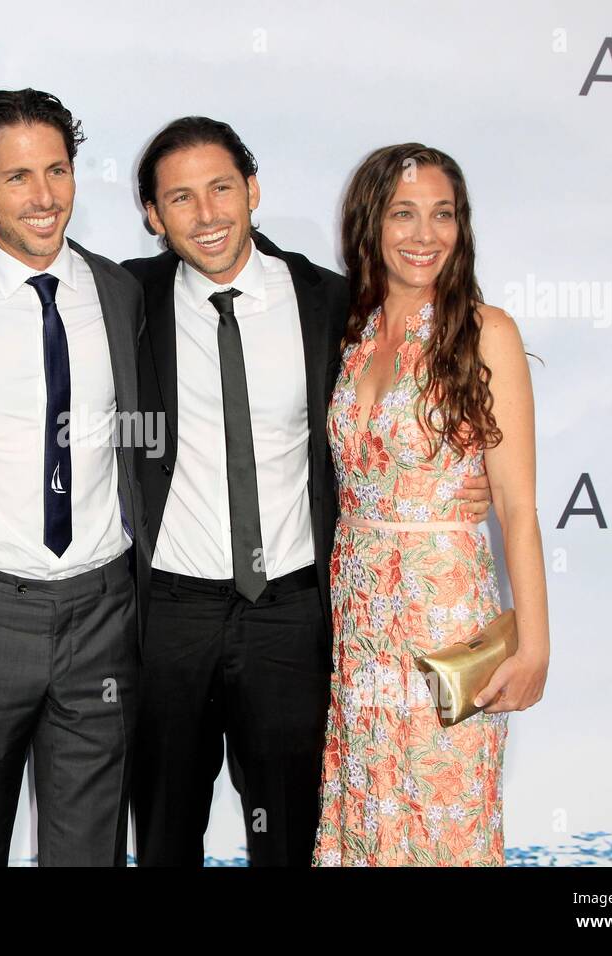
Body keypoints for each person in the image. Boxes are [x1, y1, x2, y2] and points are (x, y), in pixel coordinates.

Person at [123, 118, 494, 866]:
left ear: (253, 191)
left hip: (291, 612)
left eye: (223, 188)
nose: (208, 214)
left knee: (295, 835)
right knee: (164, 833)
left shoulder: (334, 304)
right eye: (182, 198)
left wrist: (453, 476)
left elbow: (399, 405)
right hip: (168, 616)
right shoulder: (123, 297)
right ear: (153, 216)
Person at [313, 143, 550, 867]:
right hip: (358, 634)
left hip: (446, 631)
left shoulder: (488, 332)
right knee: (367, 819)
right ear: (370, 225)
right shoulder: (351, 335)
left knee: (444, 823)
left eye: (442, 215)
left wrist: (535, 646)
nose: (425, 235)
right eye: (404, 214)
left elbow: (516, 503)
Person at [0, 89, 149, 865]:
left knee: (91, 855)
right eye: (19, 176)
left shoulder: (122, 294)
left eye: (57, 170)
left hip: (103, 615)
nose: (44, 196)